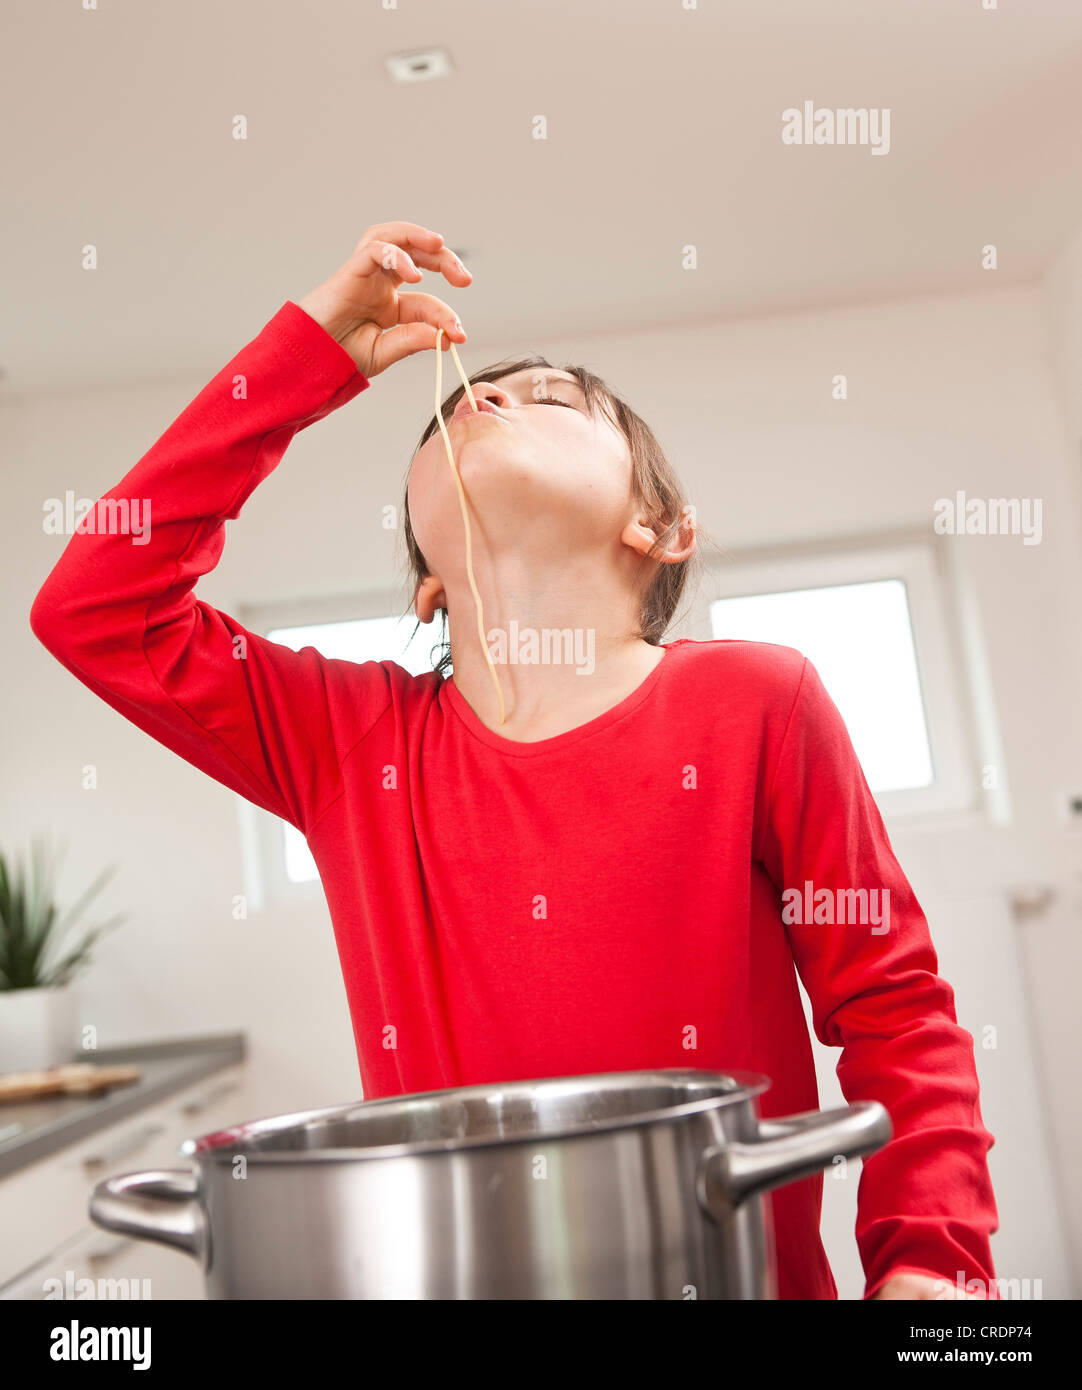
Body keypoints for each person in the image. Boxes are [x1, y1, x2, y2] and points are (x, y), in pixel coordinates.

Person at [29, 220, 998, 1300]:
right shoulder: (348, 741)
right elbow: (95, 610)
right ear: (426, 587)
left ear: (659, 525)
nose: (482, 401)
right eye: (452, 413)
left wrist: (930, 1262)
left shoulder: (757, 701)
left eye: (545, 396)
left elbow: (894, 1012)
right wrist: (304, 364)